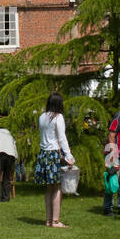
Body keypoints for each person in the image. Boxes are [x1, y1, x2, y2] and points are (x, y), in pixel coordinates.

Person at [35, 92, 75, 228]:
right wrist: (69, 156)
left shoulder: (41, 117)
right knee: (57, 187)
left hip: (43, 153)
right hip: (53, 154)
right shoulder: (58, 117)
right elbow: (62, 138)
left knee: (49, 188)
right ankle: (55, 221)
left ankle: (48, 220)